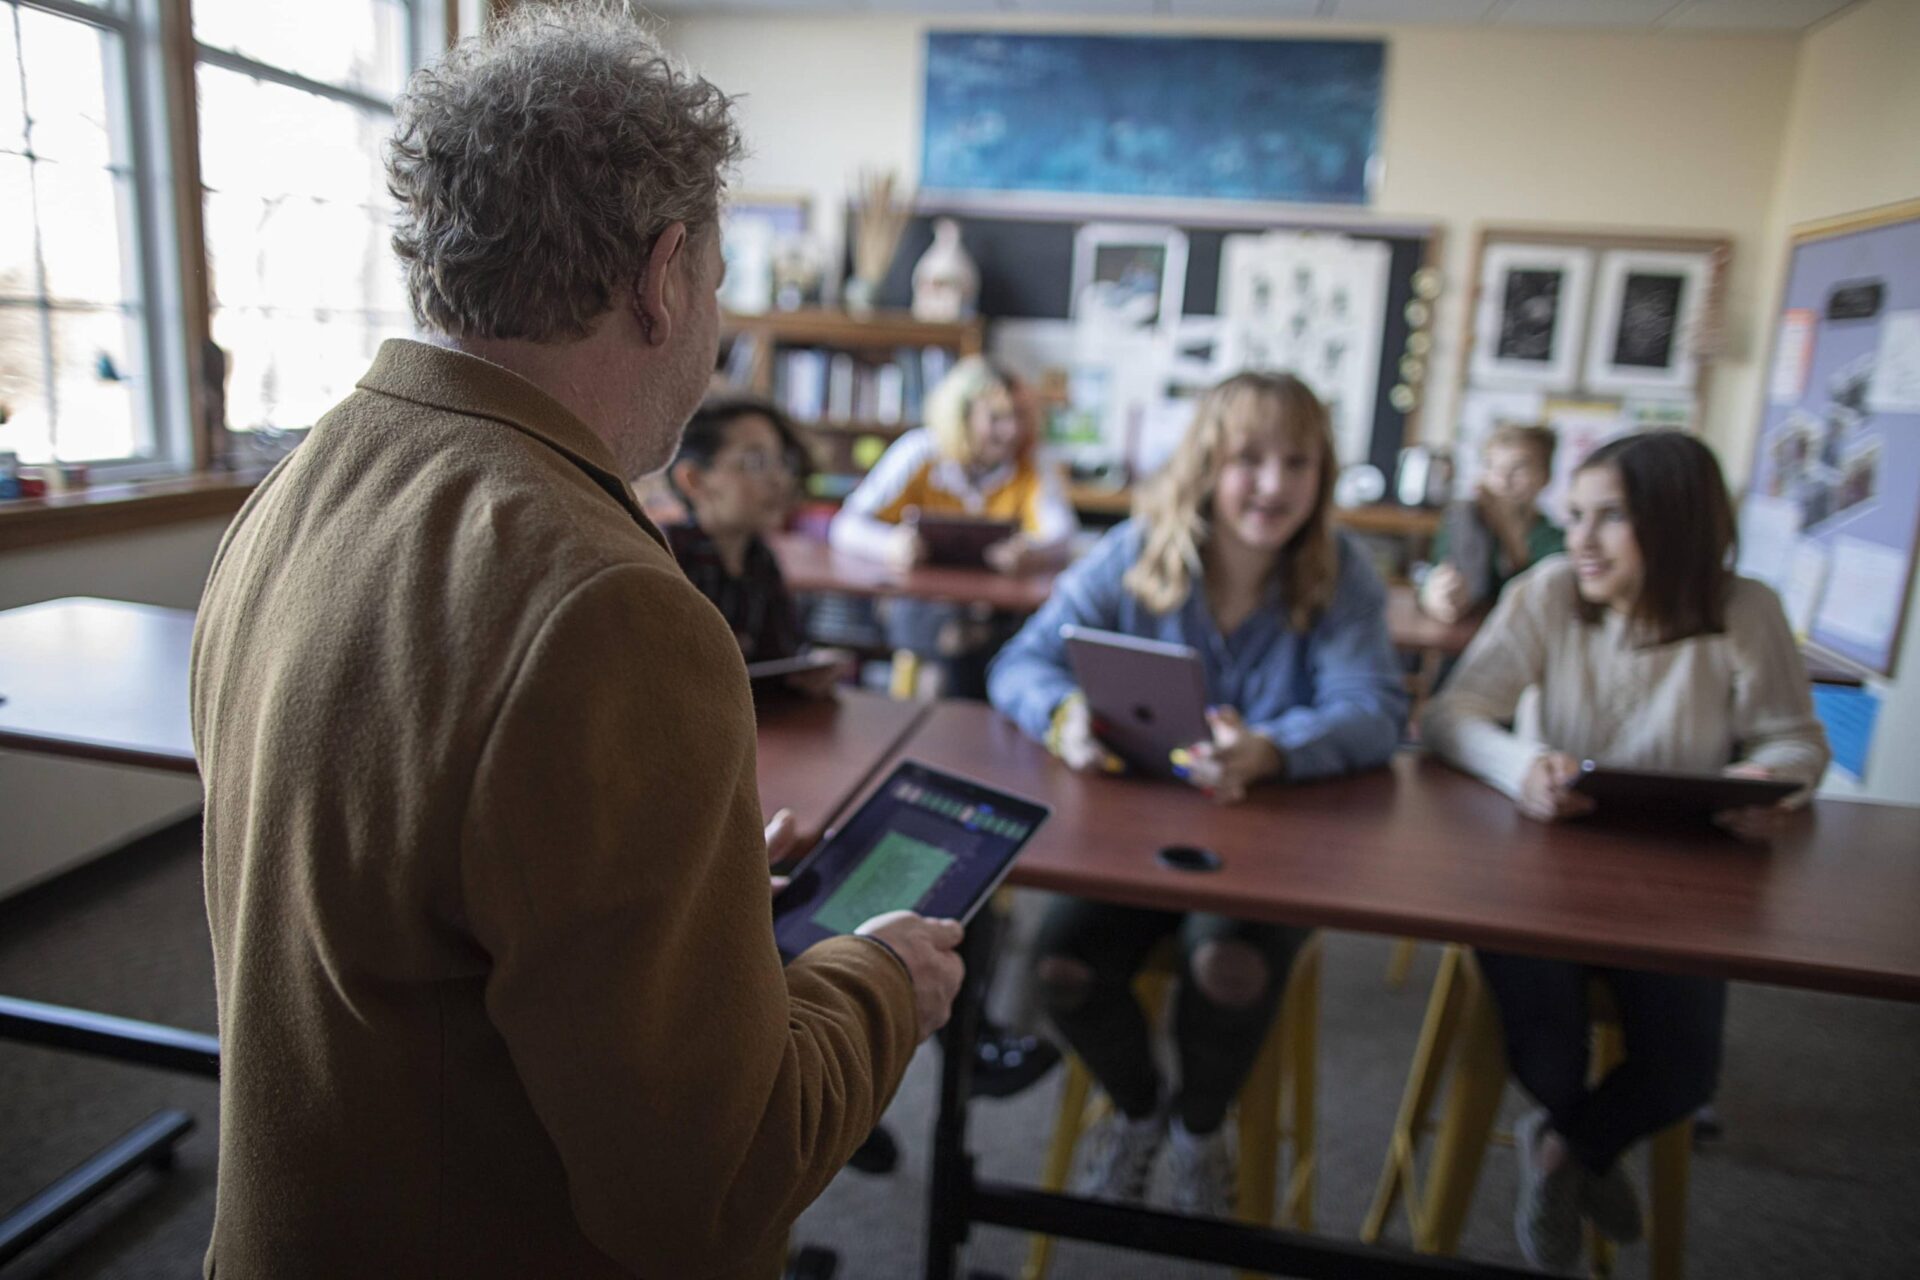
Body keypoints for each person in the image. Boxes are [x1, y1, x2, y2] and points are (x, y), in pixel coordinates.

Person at [189, 8, 964, 1278]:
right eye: (717, 281)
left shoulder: (304, 483)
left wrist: (693, 894)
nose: (714, 330)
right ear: (664, 277)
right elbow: (713, 1187)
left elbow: (422, 881)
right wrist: (877, 981)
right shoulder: (611, 606)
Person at [986, 372, 1407, 1214]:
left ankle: (1200, 1130)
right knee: (1060, 967)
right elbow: (1018, 665)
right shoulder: (1138, 550)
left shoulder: (1341, 573)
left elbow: (1376, 710)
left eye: (1298, 462)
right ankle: (1139, 1111)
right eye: (1248, 459)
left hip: (1269, 845)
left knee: (1229, 965)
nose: (1273, 485)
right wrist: (1065, 714)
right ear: (1206, 464)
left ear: (1323, 475)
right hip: (1133, 839)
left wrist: (1273, 751)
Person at [1422, 430, 1830, 1272]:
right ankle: (1578, 1143)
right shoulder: (1547, 593)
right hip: (1540, 871)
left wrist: (1768, 780)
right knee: (1546, 1037)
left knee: (1685, 1072)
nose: (1579, 539)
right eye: (1575, 515)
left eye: (1610, 518)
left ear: (1678, 521)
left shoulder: (1744, 609)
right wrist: (1520, 768)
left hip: (1679, 885)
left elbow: (1796, 743)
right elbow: (1451, 716)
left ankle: (1567, 1149)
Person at [829, 356, 1078, 696]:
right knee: (954, 639)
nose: (1012, 431)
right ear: (962, 416)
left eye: (1020, 417)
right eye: (996, 418)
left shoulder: (1031, 465)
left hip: (994, 606)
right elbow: (845, 526)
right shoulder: (920, 452)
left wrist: (1030, 552)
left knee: (996, 634)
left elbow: (1063, 535)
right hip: (921, 603)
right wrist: (891, 544)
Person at [666, 395, 846, 698]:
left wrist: (805, 675)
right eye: (755, 462)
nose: (779, 480)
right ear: (694, 480)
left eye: (782, 461)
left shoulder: (759, 557)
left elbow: (780, 653)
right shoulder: (666, 559)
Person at [1420, 422, 1564, 624]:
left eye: (1518, 468)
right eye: (1492, 466)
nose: (1503, 480)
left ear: (1546, 475)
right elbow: (1436, 571)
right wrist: (1433, 593)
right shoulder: (1465, 522)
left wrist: (1509, 530)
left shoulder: (1554, 541)